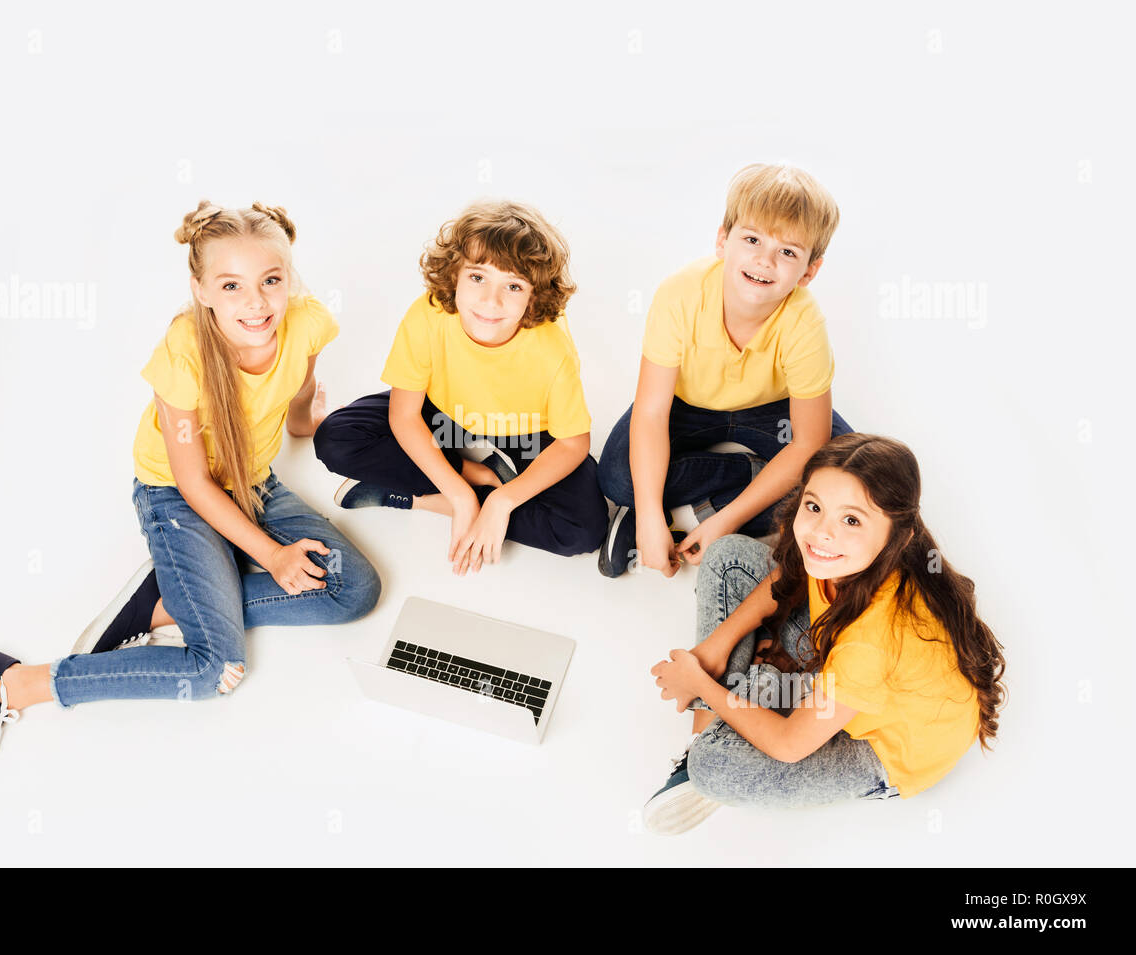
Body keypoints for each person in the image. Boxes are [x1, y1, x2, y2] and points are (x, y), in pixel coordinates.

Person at [0, 201, 381, 774]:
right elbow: (193, 482)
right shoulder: (184, 355)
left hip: (252, 484)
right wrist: (271, 554)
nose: (257, 302)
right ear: (201, 290)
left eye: (271, 281)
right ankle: (13, 683)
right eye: (231, 285)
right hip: (177, 498)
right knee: (210, 670)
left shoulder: (308, 321)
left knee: (354, 589)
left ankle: (164, 606)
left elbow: (300, 385)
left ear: (288, 279)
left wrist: (304, 422)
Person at [644, 433, 1007, 834]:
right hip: (842, 662)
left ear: (898, 537)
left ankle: (739, 709)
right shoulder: (834, 553)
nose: (821, 533)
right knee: (728, 556)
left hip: (885, 748)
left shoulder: (874, 640)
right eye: (814, 506)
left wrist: (701, 682)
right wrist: (717, 644)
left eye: (851, 520)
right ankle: (761, 690)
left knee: (712, 766)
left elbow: (787, 744)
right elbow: (790, 574)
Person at [312, 199, 607, 575]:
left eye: (513, 286)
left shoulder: (552, 348)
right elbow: (404, 415)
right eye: (478, 277)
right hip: (441, 417)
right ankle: (472, 476)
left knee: (584, 530)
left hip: (525, 433)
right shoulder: (430, 313)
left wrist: (501, 502)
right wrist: (461, 493)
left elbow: (572, 443)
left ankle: (414, 498)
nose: (490, 301)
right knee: (336, 438)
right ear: (455, 276)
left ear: (535, 296)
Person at [597, 163, 852, 578]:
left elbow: (807, 442)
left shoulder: (805, 323)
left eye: (788, 252)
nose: (764, 261)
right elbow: (651, 411)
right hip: (687, 405)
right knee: (616, 480)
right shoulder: (680, 293)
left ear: (809, 271)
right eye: (752, 239)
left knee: (844, 480)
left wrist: (727, 519)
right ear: (723, 240)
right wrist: (646, 515)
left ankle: (701, 515)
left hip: (772, 410)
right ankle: (659, 511)